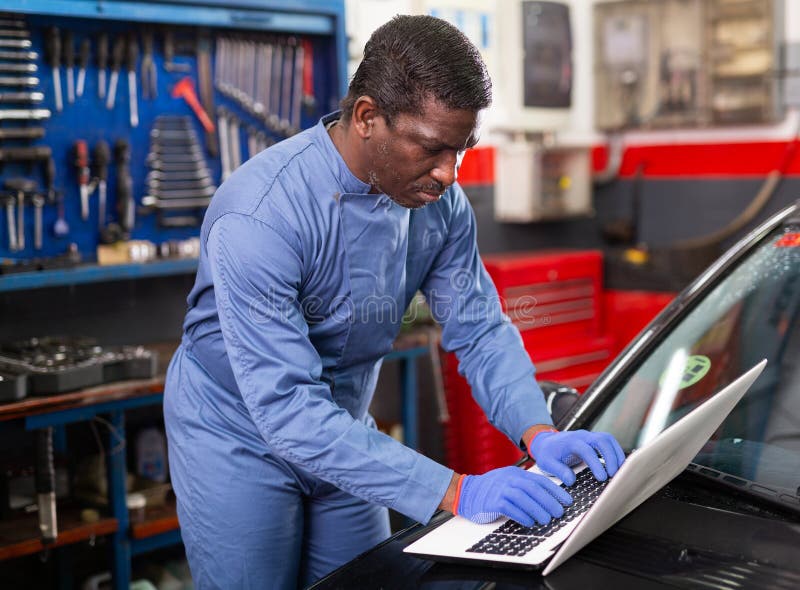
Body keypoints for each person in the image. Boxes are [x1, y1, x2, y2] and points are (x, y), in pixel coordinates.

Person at [163, 14, 626, 589]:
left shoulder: (439, 204)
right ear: (366, 118)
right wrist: (458, 490)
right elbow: (284, 407)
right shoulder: (260, 217)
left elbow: (479, 328)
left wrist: (539, 432)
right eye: (432, 148)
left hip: (345, 428)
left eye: (461, 149)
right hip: (236, 434)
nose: (449, 174)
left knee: (369, 582)